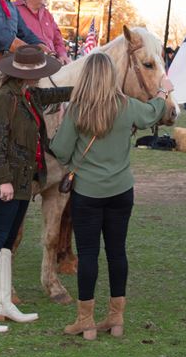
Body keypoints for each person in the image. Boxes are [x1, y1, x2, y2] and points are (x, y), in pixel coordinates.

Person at [51, 54, 173, 339]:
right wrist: (164, 91)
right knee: (117, 252)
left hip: (88, 193)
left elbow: (60, 150)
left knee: (89, 254)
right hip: (121, 191)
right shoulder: (128, 106)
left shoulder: (78, 110)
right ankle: (116, 319)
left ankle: (86, 321)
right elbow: (154, 111)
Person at [0, 46, 72, 334]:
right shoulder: (3, 99)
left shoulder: (28, 95)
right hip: (8, 180)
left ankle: (1, 304)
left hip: (25, 179)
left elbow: (56, 95)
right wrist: (3, 181)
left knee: (7, 241)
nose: (39, 78)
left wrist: (88, 86)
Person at [14, 0, 71, 64]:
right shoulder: (13, 11)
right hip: (28, 68)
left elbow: (58, 39)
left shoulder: (47, 14)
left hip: (53, 66)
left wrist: (62, 54)